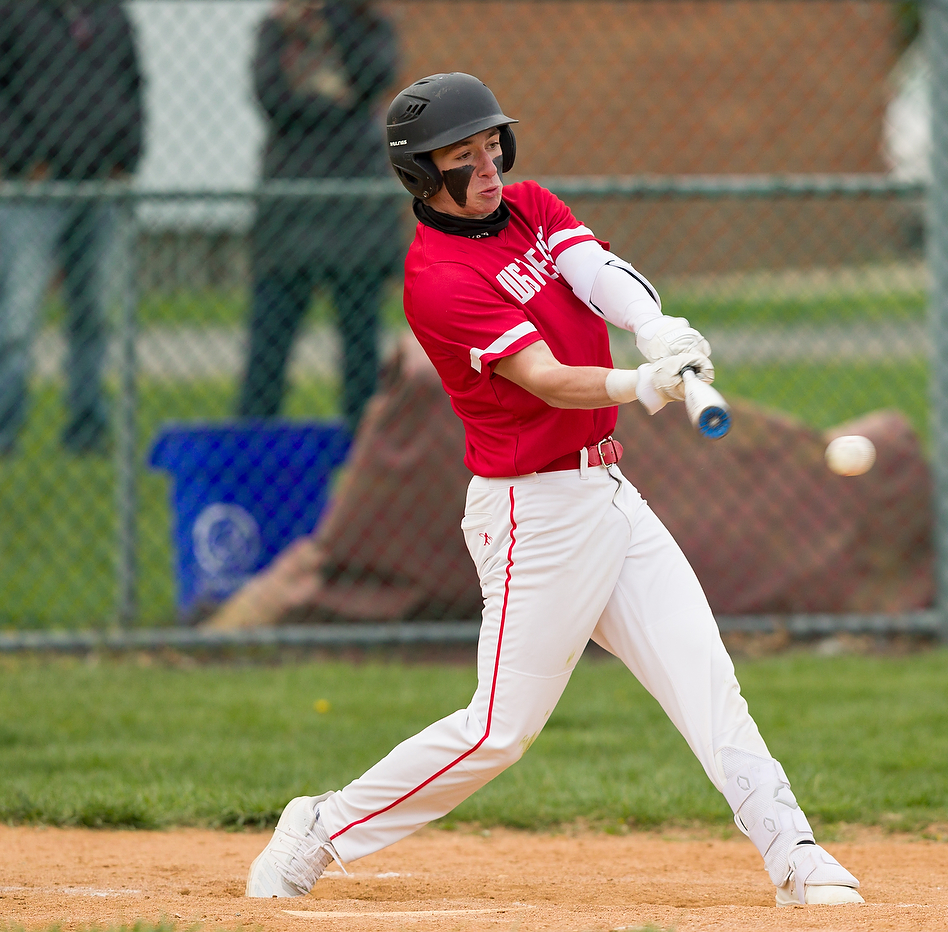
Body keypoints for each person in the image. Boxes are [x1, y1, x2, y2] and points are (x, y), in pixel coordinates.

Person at [244, 73, 864, 908]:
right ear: (421, 175)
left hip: (605, 490)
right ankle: (319, 828)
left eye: (490, 143)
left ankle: (794, 855)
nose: (487, 165)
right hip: (531, 513)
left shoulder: (531, 204)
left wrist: (659, 329)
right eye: (462, 156)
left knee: (704, 677)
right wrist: (643, 383)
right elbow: (544, 379)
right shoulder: (438, 278)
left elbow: (599, 272)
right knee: (499, 732)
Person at [237, 1, 401, 432]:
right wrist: (337, 103)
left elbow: (372, 77)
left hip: (354, 210)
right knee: (268, 347)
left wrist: (330, 23)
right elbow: (272, 97)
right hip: (290, 212)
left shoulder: (367, 23)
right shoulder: (277, 28)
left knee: (360, 349)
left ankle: (363, 457)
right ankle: (252, 455)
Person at [0, 0, 143, 455]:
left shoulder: (111, 14)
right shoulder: (15, 12)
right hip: (34, 189)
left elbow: (135, 85)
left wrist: (128, 155)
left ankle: (87, 429)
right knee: (18, 316)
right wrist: (22, 159)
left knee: (93, 317)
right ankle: (4, 429)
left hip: (99, 182)